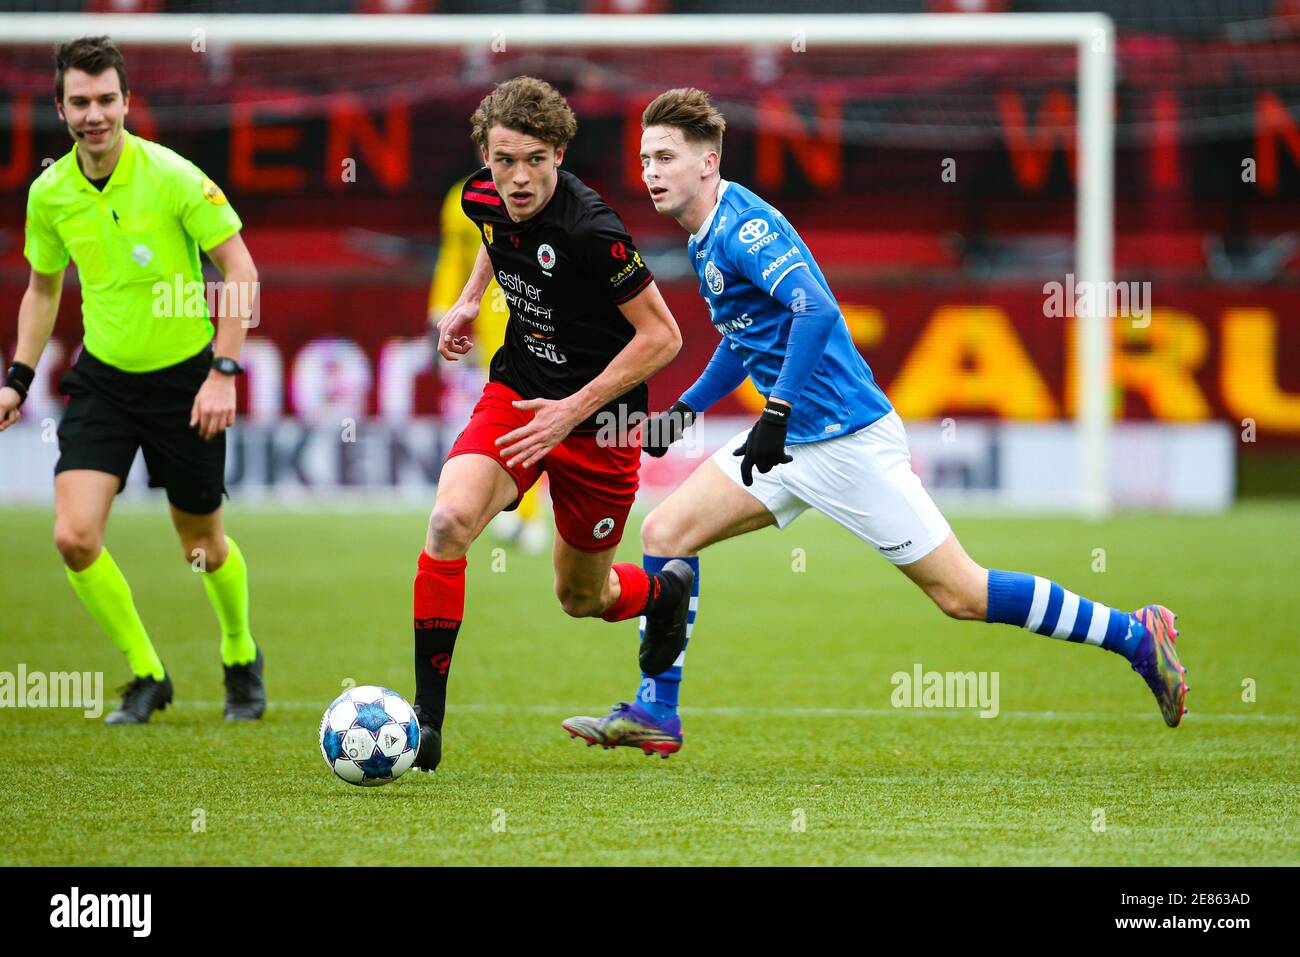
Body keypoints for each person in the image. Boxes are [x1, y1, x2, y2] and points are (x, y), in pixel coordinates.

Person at [562, 88, 1188, 757]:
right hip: (790, 442)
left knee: (961, 592)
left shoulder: (745, 229)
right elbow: (745, 335)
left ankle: (1134, 633)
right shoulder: (704, 236)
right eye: (644, 158)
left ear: (707, 163)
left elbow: (816, 311)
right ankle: (658, 708)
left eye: (665, 156)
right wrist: (687, 410)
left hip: (845, 440)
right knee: (665, 530)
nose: (650, 171)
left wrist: (774, 411)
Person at [410, 76, 690, 774]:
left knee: (580, 598)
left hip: (602, 426)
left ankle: (665, 593)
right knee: (447, 522)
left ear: (559, 154)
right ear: (486, 157)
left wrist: (571, 411)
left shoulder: (592, 230)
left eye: (535, 159)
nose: (518, 177)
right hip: (518, 392)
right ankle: (426, 724)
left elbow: (665, 338)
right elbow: (492, 234)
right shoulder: (483, 193)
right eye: (504, 159)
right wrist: (470, 301)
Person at [0, 36, 264, 725]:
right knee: (74, 536)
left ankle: (240, 652)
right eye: (80, 101)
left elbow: (241, 274)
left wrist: (223, 372)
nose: (95, 114)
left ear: (125, 102)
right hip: (104, 383)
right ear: (60, 109)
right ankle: (148, 672)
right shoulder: (50, 195)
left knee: (201, 548)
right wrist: (18, 380)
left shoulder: (174, 176)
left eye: (106, 99)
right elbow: (42, 288)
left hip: (188, 382)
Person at [428, 175, 547, 554]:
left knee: (533, 409)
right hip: (491, 319)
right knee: (510, 411)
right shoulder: (460, 197)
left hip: (538, 312)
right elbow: (453, 259)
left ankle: (528, 513)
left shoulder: (543, 190)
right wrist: (442, 310)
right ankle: (522, 510)